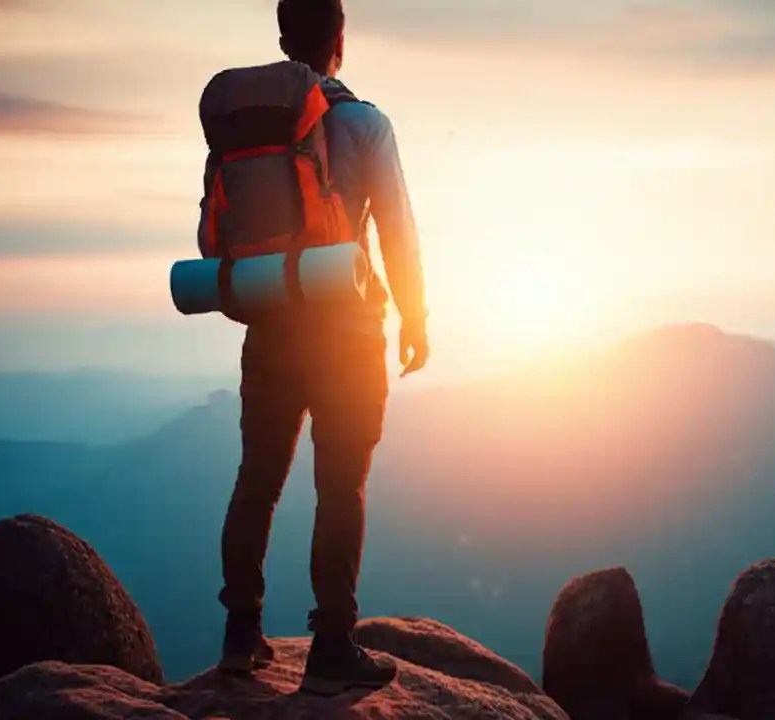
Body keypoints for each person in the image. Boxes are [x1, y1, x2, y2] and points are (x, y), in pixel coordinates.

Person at [209, 0, 429, 695]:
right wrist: (416, 318)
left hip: (272, 322)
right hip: (349, 334)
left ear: (282, 40)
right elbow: (396, 230)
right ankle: (332, 642)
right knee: (340, 487)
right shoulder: (366, 124)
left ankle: (240, 632)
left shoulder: (250, 127)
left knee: (257, 477)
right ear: (340, 39)